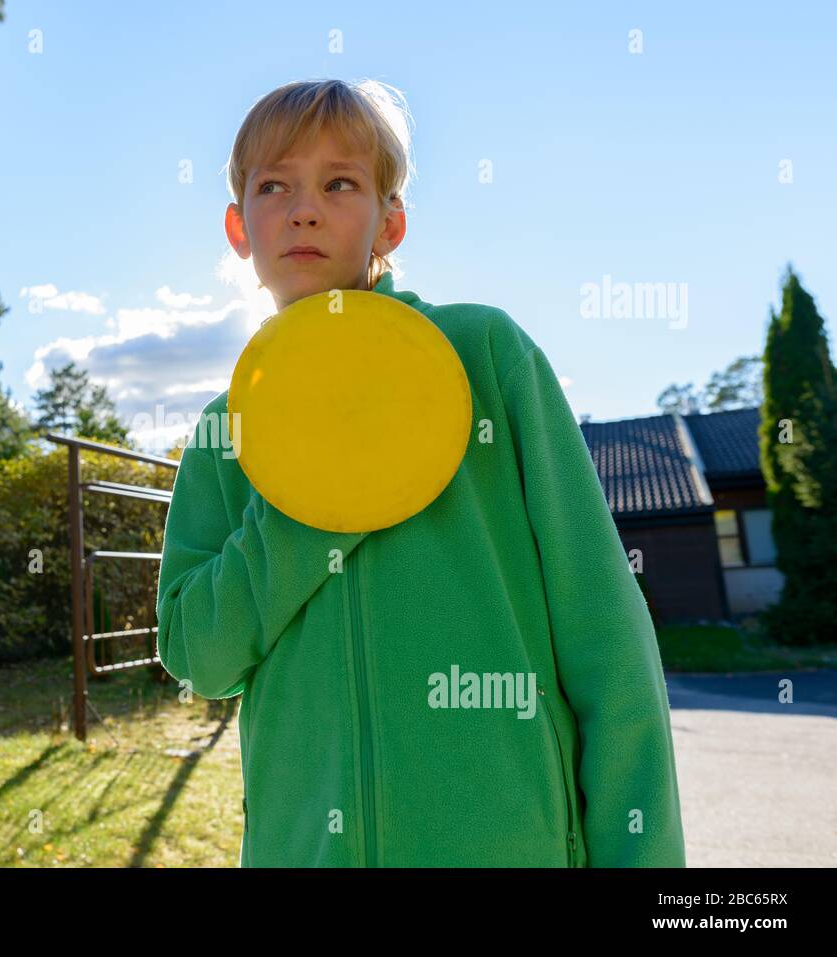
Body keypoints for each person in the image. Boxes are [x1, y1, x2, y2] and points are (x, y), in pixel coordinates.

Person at [154, 78, 686, 867]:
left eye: (340, 183)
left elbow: (609, 646)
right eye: (274, 185)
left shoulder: (484, 357)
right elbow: (197, 653)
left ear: (389, 221)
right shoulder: (222, 432)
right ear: (239, 227)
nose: (304, 209)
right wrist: (320, 478)